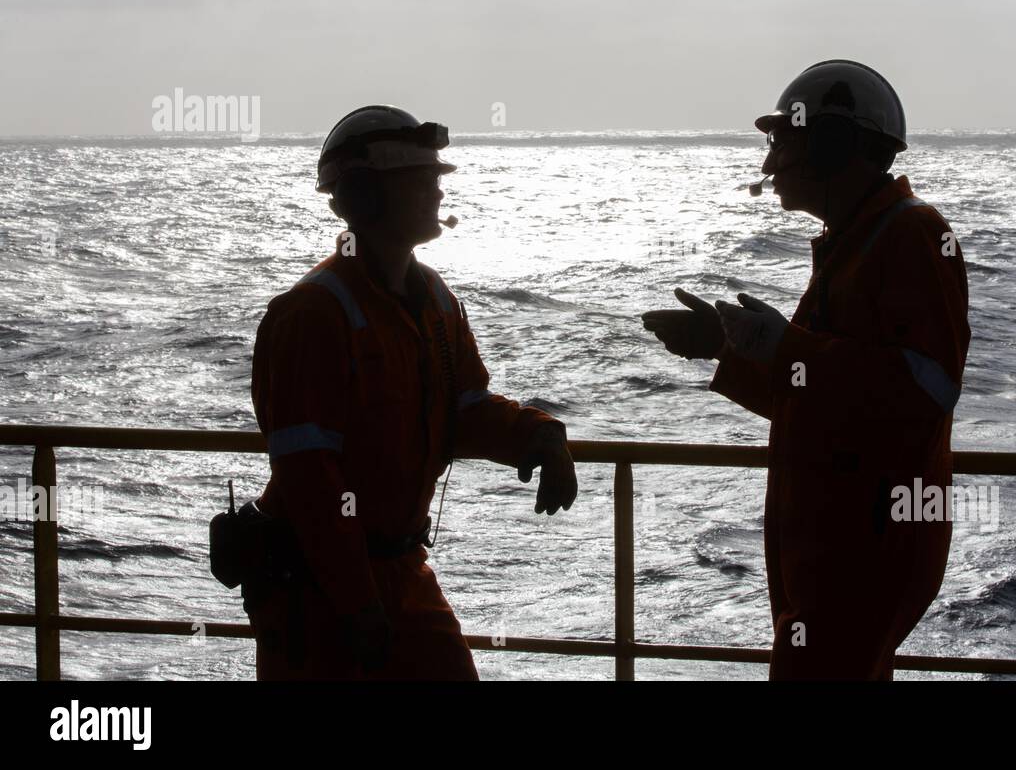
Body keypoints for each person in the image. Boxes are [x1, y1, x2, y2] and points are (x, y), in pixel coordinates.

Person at [642, 61, 970, 679]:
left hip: (864, 545)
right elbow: (821, 396)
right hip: (833, 540)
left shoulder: (911, 236)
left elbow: (925, 393)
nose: (769, 167)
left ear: (832, 144)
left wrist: (783, 346)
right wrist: (728, 350)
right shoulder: (857, 242)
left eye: (783, 144)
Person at [247, 104, 577, 679]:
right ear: (365, 198)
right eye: (420, 180)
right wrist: (356, 602)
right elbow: (308, 474)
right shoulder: (314, 314)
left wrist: (540, 436)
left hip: (402, 571)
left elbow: (466, 408)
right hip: (317, 588)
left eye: (435, 178)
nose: (437, 192)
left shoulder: (435, 301)